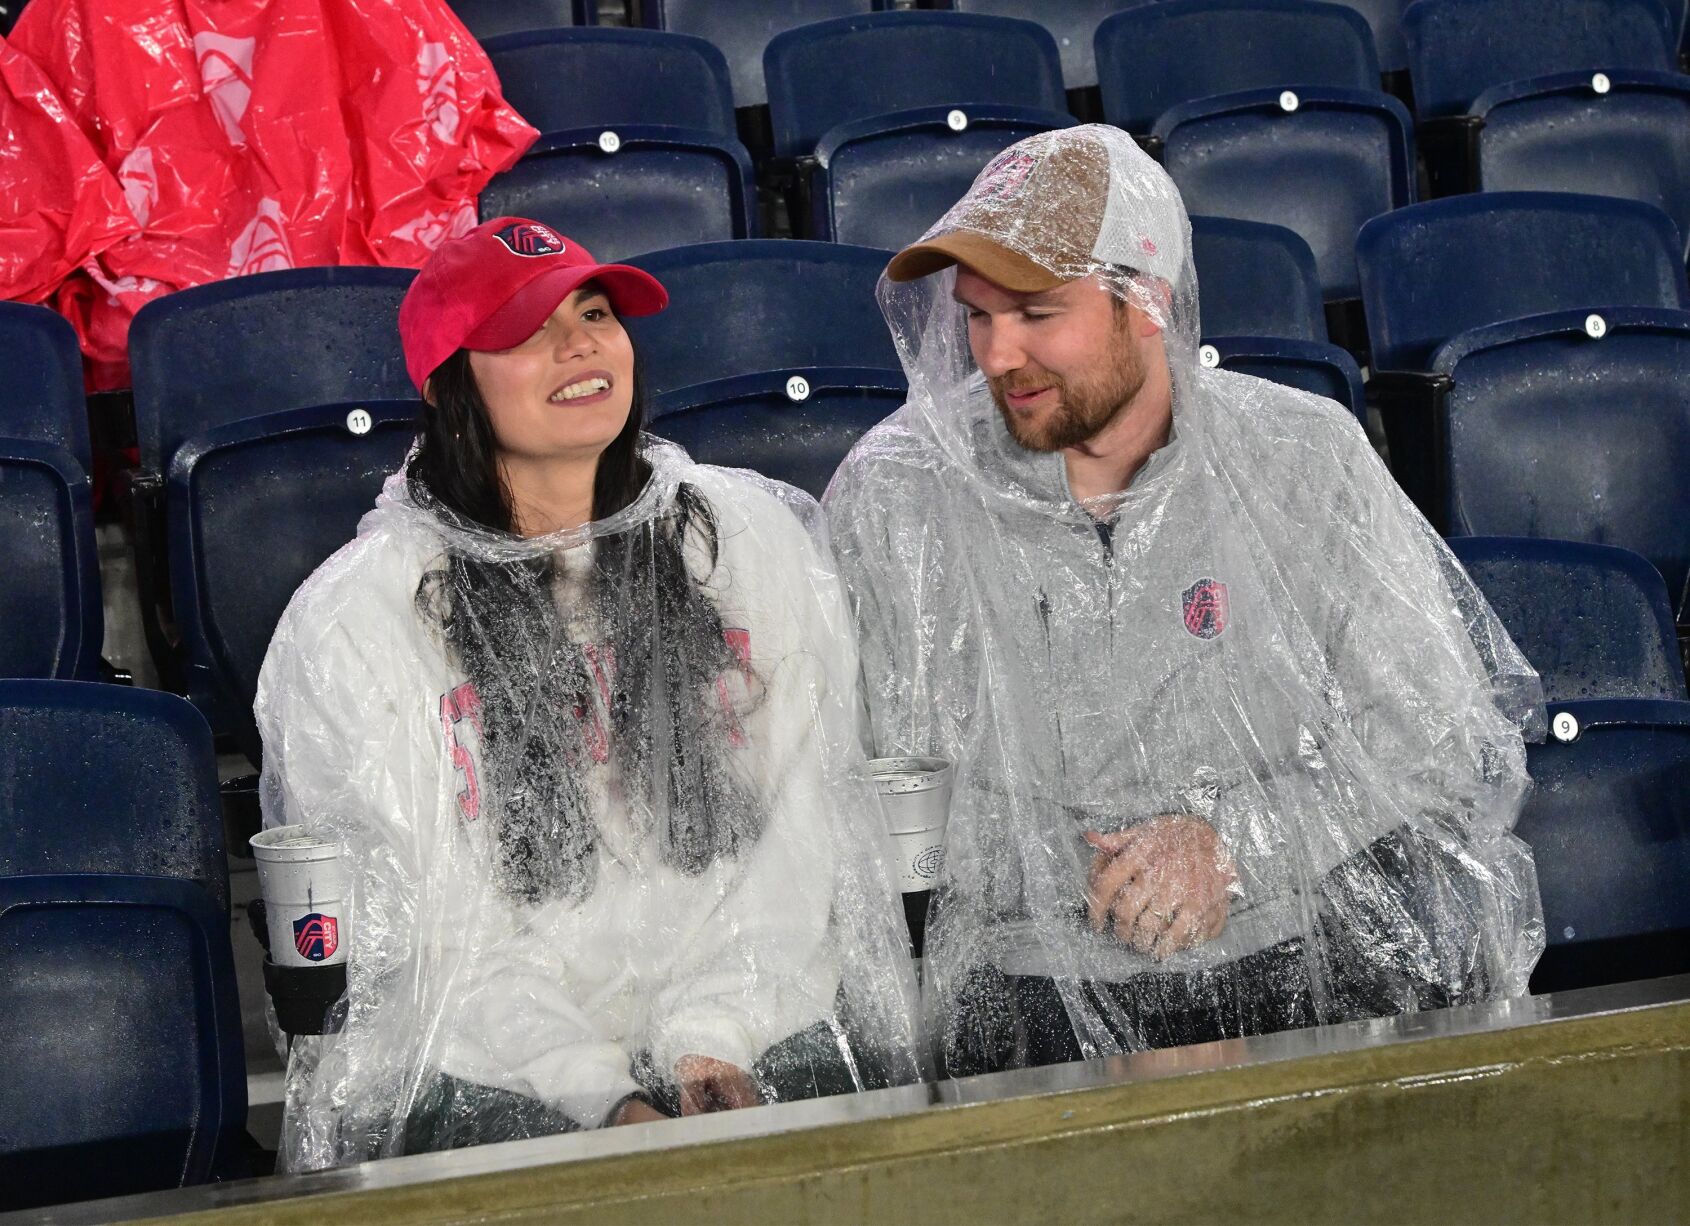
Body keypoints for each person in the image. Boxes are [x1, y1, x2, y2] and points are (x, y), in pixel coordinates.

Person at [822, 127, 1546, 1075]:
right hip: (1019, 988)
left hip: (1293, 953)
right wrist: (1102, 877)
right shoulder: (897, 494)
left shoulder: (1301, 457)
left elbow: (1437, 733)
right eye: (977, 317)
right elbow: (862, 789)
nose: (999, 355)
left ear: (1147, 300)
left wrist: (1231, 848)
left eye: (1038, 313)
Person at [256, 217, 922, 1171]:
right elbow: (433, 931)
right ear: (450, 389)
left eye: (597, 313)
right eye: (528, 330)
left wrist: (714, 1033)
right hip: (505, 1063)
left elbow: (805, 828)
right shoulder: (359, 619)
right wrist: (598, 1094)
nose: (581, 345)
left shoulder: (744, 542)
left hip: (754, 1009)